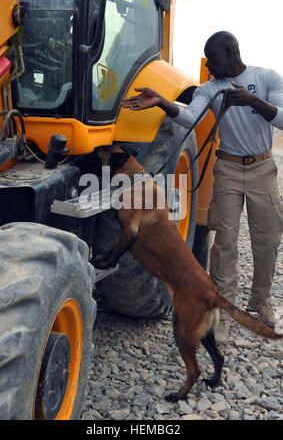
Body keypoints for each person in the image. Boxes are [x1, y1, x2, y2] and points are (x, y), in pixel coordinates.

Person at [121, 31, 283, 343]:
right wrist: (163, 102)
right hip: (228, 169)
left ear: (232, 52)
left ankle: (260, 301)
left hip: (263, 169)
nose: (208, 65)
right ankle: (222, 315)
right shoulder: (211, 87)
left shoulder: (266, 79)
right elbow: (190, 116)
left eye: (214, 59)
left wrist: (253, 102)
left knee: (267, 242)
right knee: (224, 244)